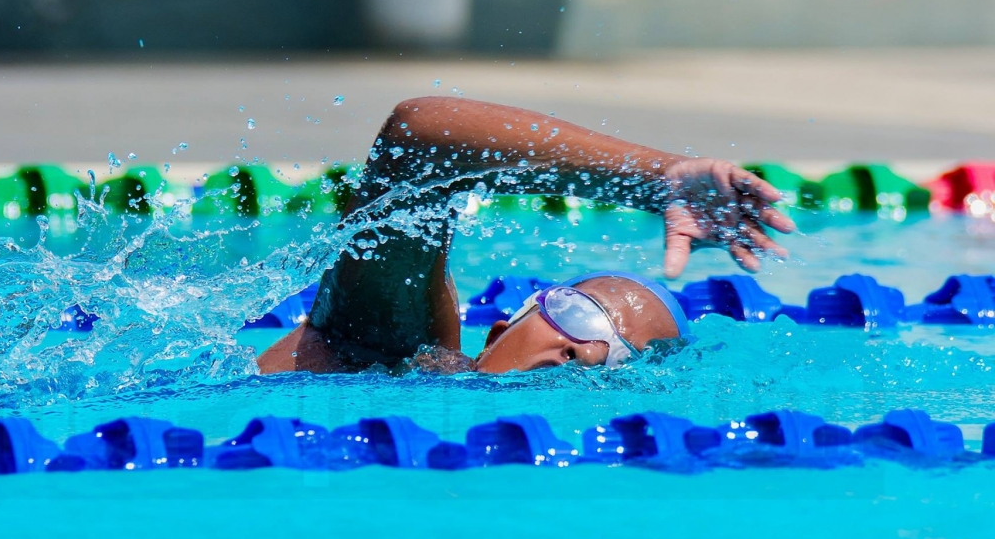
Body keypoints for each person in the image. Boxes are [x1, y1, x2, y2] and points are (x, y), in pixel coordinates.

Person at [258, 96, 795, 375]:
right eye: (580, 314)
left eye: (617, 354)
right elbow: (421, 134)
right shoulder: (387, 346)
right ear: (496, 331)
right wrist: (655, 179)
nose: (585, 352)